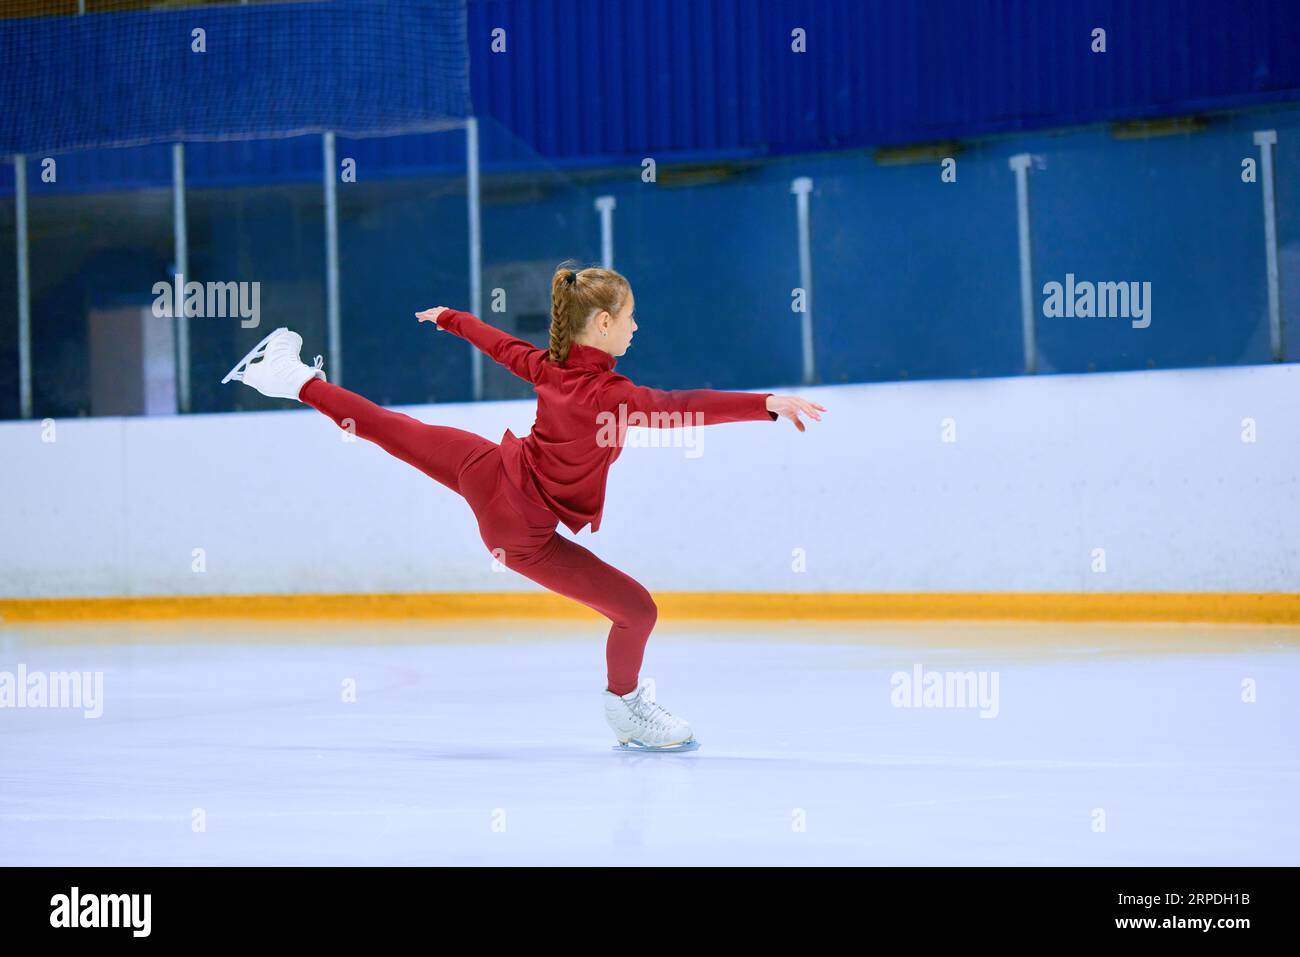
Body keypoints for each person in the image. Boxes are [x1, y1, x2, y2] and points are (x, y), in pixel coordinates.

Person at [222, 262, 825, 751]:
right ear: (607, 323)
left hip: (491, 472)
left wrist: (454, 319)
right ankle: (626, 711)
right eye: (633, 319)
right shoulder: (611, 395)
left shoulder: (551, 367)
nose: (638, 329)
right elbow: (682, 404)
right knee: (637, 610)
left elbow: (502, 346)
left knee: (390, 428)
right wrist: (765, 403)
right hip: (520, 528)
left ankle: (290, 380)